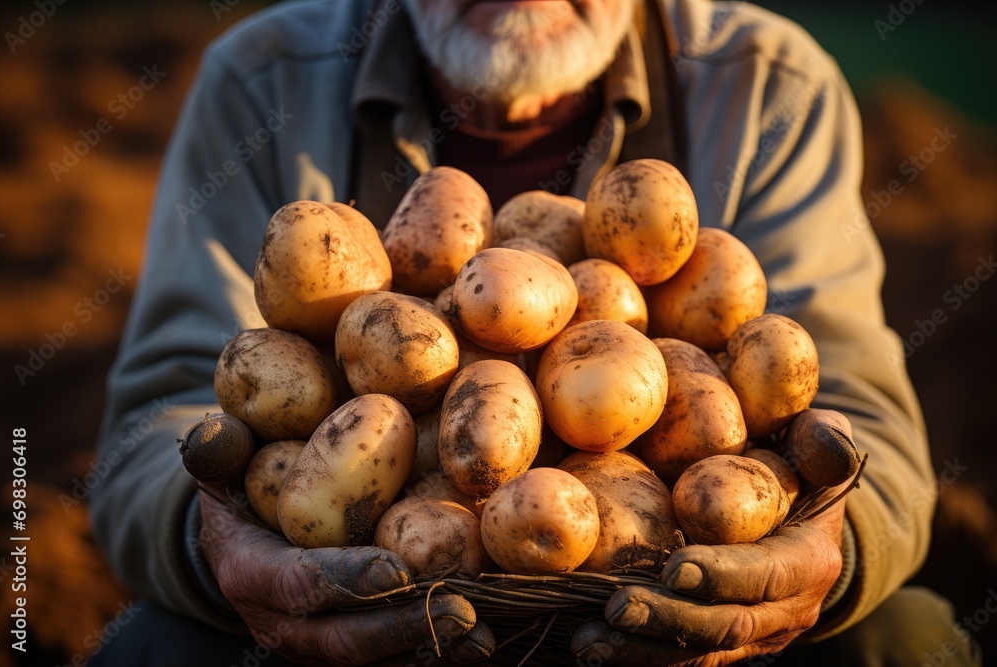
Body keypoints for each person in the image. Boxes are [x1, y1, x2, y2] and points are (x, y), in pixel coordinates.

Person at [90, 0, 981, 665]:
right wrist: (212, 546)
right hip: (372, 611)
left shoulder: (770, 84)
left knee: (904, 639)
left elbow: (864, 410)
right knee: (150, 646)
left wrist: (829, 547)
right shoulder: (259, 79)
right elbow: (157, 416)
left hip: (662, 600)